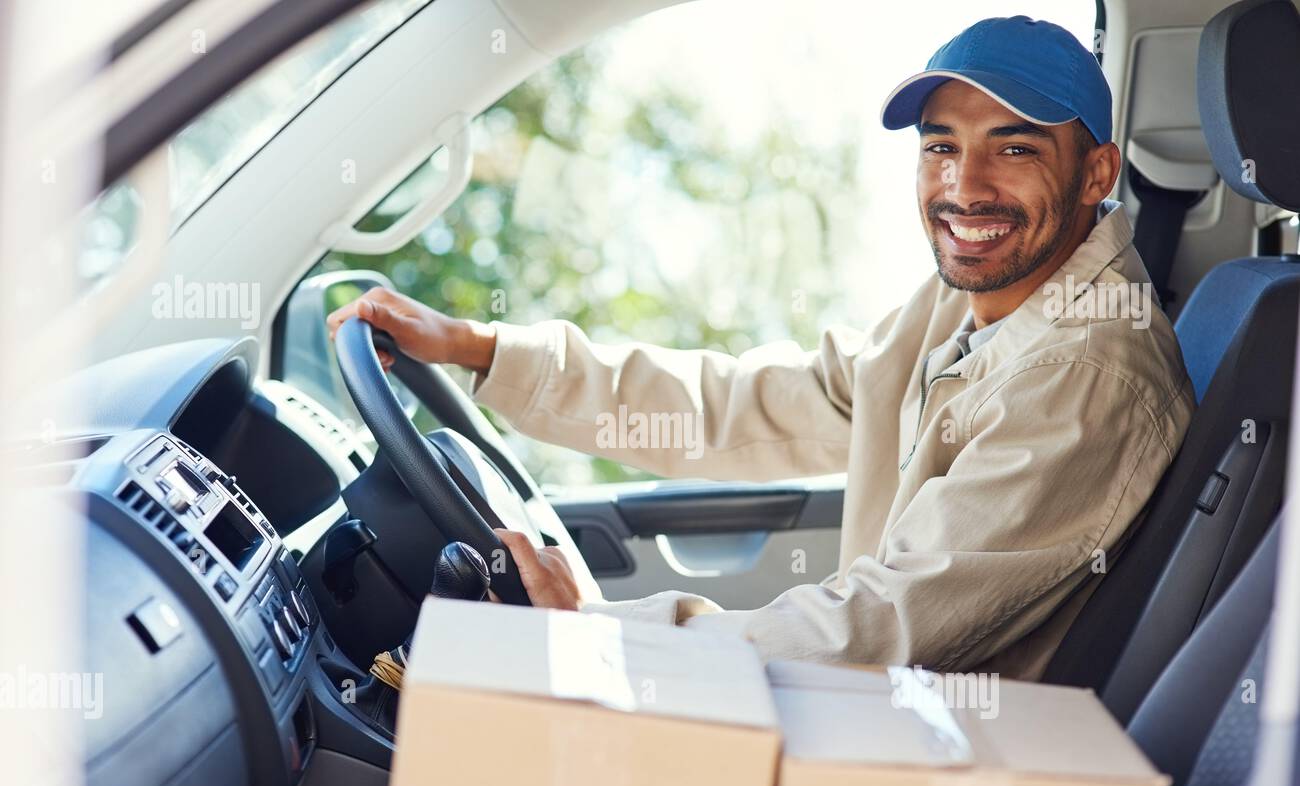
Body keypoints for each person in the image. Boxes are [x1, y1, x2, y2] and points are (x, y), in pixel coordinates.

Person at [327, 15, 1194, 681]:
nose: (963, 186)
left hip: (930, 770)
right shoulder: (978, 294)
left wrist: (600, 637)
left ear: (1096, 174)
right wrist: (482, 348)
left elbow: (880, 627)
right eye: (941, 147)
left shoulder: (1083, 374)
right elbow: (748, 402)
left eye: (1014, 148)